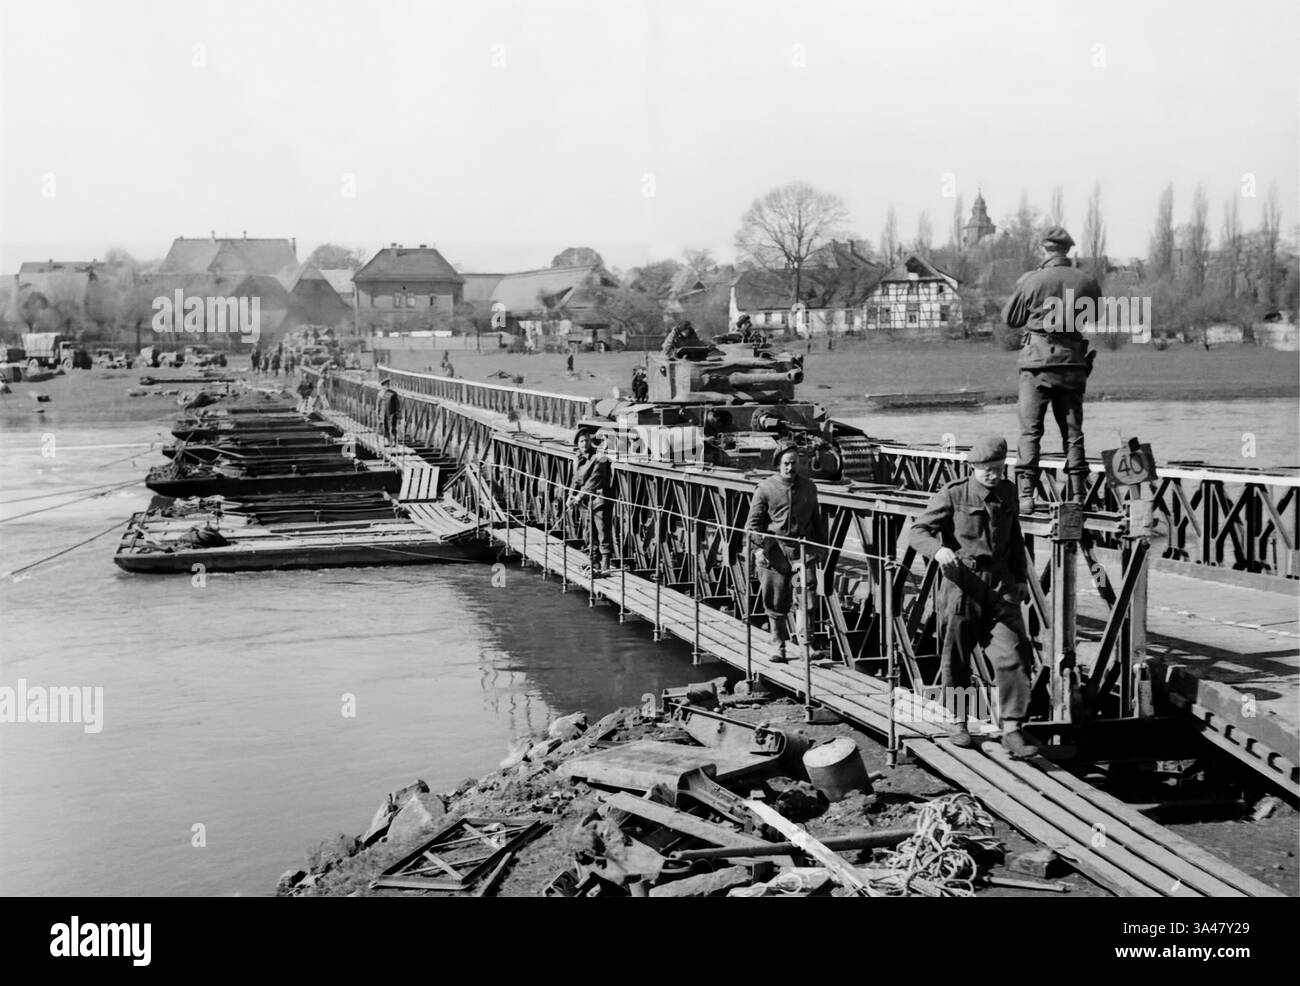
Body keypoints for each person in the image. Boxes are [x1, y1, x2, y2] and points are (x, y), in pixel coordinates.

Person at [907, 436, 1039, 758]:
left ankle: (1011, 727)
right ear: (973, 468)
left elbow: (1016, 539)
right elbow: (917, 531)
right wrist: (938, 551)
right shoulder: (953, 494)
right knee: (957, 657)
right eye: (985, 470)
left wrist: (1021, 578)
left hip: (1001, 587)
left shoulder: (1008, 492)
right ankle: (959, 721)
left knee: (1014, 653)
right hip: (962, 585)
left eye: (997, 469)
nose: (992, 475)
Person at [1002, 226, 1100, 513]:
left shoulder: (1032, 280)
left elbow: (1011, 318)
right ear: (1068, 250)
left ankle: (1026, 496)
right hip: (1072, 364)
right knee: (1073, 432)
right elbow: (1095, 316)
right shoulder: (1087, 281)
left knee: (1031, 432)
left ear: (1045, 249)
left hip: (1037, 365)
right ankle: (1078, 495)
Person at [744, 443, 828, 663]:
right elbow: (752, 526)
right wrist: (760, 548)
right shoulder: (765, 488)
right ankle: (777, 645)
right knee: (775, 602)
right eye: (786, 464)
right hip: (775, 553)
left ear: (799, 463)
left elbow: (817, 520)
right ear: (778, 465)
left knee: (807, 600)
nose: (790, 468)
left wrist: (821, 547)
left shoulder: (809, 487)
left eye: (793, 463)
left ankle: (805, 646)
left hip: (802, 552)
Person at [568, 432, 615, 576]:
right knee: (588, 530)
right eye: (581, 441)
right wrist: (570, 495)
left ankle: (605, 562)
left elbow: (595, 479)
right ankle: (593, 560)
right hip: (585, 500)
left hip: (599, 497)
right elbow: (576, 479)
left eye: (587, 441)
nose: (584, 444)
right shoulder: (578, 458)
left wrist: (579, 497)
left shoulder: (600, 457)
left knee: (602, 530)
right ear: (577, 443)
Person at [376, 377, 399, 441]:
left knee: (393, 427)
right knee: (385, 428)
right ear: (383, 386)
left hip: (392, 413)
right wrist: (377, 413)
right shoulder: (380, 394)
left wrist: (398, 413)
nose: (387, 386)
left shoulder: (393, 393)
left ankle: (394, 441)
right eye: (386, 385)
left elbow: (397, 404)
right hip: (383, 413)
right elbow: (378, 404)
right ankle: (387, 440)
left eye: (388, 385)